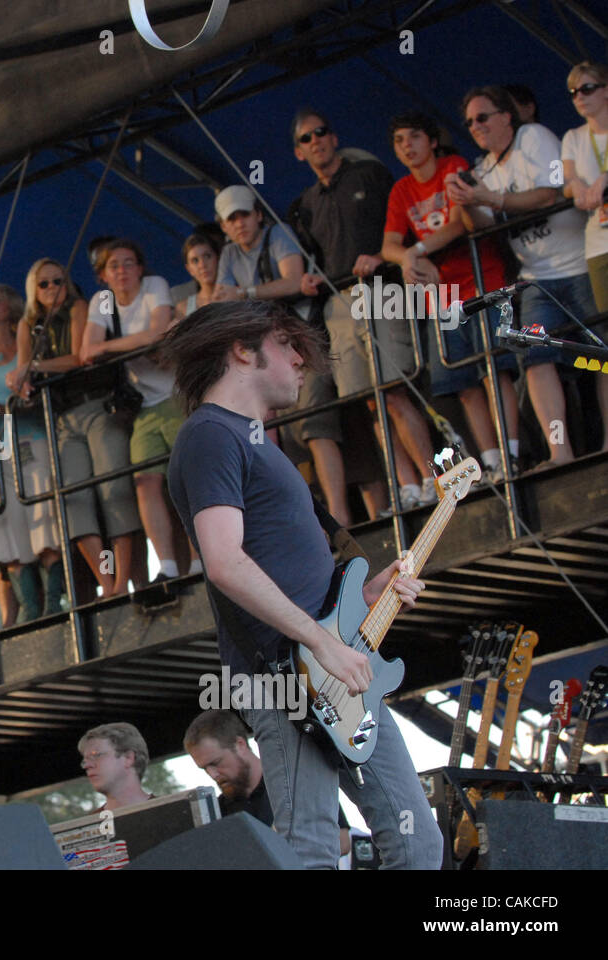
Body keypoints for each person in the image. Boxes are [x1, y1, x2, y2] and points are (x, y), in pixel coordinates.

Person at [164, 298, 440, 870]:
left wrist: (365, 598)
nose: (300, 360)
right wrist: (320, 641)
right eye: (287, 344)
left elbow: (290, 575)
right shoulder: (210, 435)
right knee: (309, 846)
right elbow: (224, 561)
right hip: (281, 677)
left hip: (335, 666)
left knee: (417, 845)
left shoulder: (259, 442)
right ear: (243, 350)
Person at [289, 109, 435, 514]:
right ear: (299, 153)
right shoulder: (305, 204)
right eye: (306, 138)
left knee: (395, 389)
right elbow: (314, 254)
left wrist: (379, 255)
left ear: (334, 137)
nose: (315, 140)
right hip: (338, 300)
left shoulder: (369, 174)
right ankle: (407, 485)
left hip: (383, 286)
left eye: (321, 132)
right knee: (370, 400)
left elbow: (400, 225)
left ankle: (432, 478)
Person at [446, 85, 596, 470]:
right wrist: (464, 200)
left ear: (506, 116)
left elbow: (548, 194)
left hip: (579, 261)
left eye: (482, 117)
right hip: (536, 277)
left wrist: (489, 198)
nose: (475, 126)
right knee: (535, 359)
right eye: (469, 122)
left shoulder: (535, 137)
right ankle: (559, 451)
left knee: (602, 354)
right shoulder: (484, 169)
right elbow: (483, 226)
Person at [381, 111, 520, 482]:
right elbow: (389, 246)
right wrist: (409, 255)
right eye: (399, 141)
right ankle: (491, 462)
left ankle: (512, 455)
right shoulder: (401, 189)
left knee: (494, 370)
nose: (407, 146)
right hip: (441, 298)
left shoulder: (453, 165)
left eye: (413, 136)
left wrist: (418, 249)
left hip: (480, 282)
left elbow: (460, 222)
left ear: (432, 140)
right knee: (463, 384)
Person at [212, 185, 354, 526]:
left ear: (258, 214)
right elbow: (220, 301)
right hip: (267, 358)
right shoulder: (230, 254)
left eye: (244, 214)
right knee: (289, 436)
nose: (240, 223)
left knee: (315, 424)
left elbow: (293, 281)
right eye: (232, 219)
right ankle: (309, 523)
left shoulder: (279, 234)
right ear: (223, 226)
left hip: (301, 342)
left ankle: (339, 516)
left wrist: (244, 294)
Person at [9, 257, 140, 598]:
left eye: (59, 281)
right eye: (45, 284)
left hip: (96, 404)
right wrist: (22, 380)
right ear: (33, 291)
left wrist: (33, 368)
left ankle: (121, 580)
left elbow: (80, 357)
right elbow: (24, 369)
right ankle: (107, 580)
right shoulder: (28, 325)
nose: (53, 289)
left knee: (113, 490)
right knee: (76, 500)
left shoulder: (80, 307)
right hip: (61, 418)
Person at [81, 239, 193, 584]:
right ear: (102, 275)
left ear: (141, 268)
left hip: (175, 393)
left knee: (188, 479)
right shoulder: (102, 301)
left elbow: (159, 331)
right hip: (144, 402)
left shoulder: (155, 285)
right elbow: (86, 351)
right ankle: (168, 565)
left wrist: (110, 347)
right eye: (114, 265)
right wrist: (138, 343)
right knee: (145, 482)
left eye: (129, 263)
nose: (122, 271)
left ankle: (203, 557)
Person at [0, 282, 61, 625]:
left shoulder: (25, 337)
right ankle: (31, 609)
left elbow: (29, 381)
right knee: (7, 521)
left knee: (43, 517)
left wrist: (5, 402)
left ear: (13, 306)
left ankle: (54, 603)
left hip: (30, 436)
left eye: (1, 300)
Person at [185, 709, 350, 855]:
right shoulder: (215, 812)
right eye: (204, 769)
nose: (212, 774)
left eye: (215, 763)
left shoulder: (296, 782)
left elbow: (342, 842)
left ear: (240, 745)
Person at [561, 61, 608, 452]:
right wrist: (578, 184)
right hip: (597, 246)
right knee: (605, 346)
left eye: (587, 88)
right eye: (573, 92)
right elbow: (567, 183)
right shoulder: (574, 137)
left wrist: (604, 180)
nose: (579, 98)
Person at [78, 722, 155, 812]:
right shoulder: (88, 824)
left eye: (97, 755)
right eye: (85, 760)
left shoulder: (170, 812)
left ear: (128, 758)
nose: (87, 766)